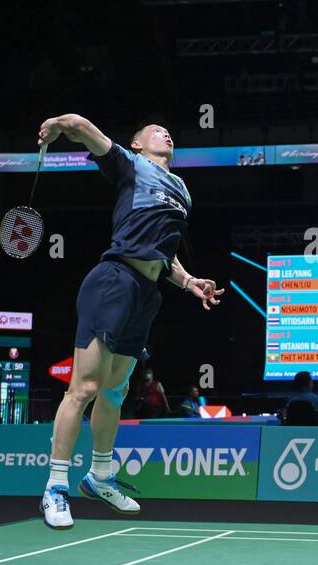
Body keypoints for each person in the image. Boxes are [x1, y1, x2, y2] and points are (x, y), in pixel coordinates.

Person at [35, 114, 224, 529]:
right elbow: (84, 125)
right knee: (83, 387)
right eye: (156, 130)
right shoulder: (128, 164)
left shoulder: (183, 191)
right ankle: (55, 487)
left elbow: (164, 252)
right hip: (114, 280)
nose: (166, 132)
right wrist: (56, 124)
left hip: (147, 292)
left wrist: (190, 282)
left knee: (114, 393)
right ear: (137, 144)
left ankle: (99, 476)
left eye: (168, 130)